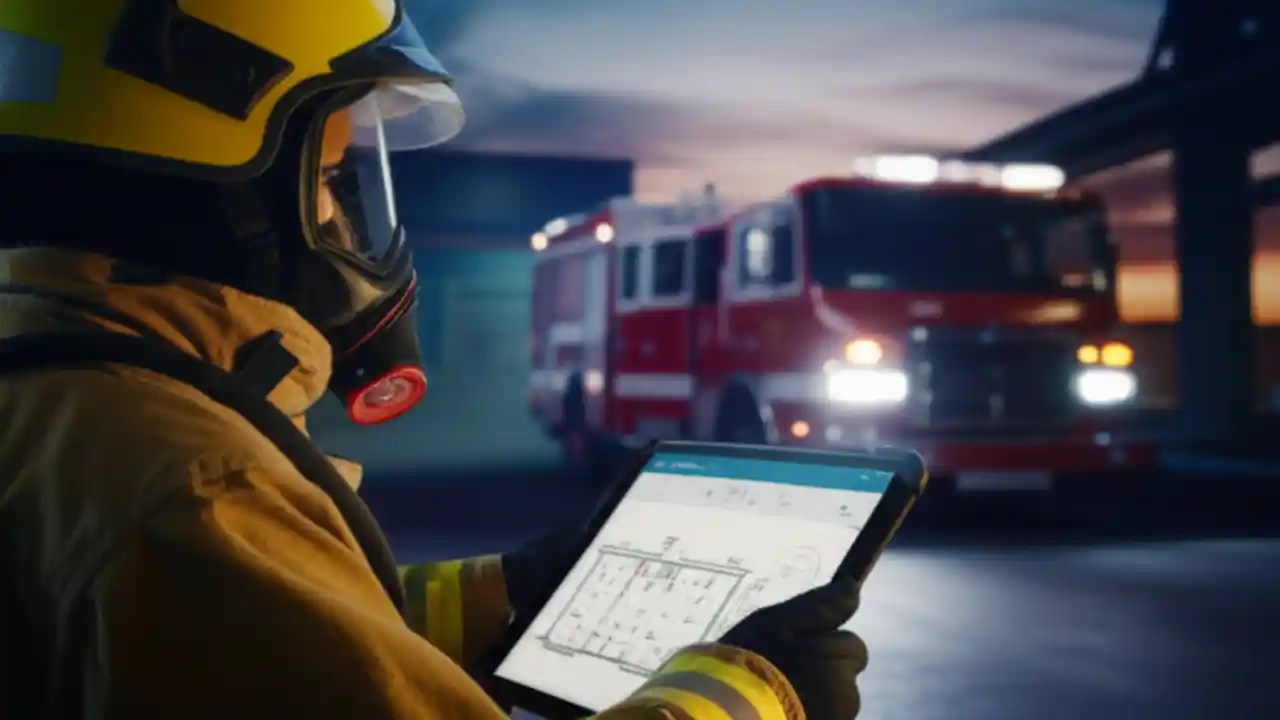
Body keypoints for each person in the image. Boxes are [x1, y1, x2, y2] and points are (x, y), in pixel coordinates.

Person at [0, 2, 868, 718]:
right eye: (333, 177)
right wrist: (746, 692)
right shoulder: (196, 487)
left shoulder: (55, 389)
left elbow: (282, 637)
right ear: (220, 179)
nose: (347, 223)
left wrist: (514, 591)